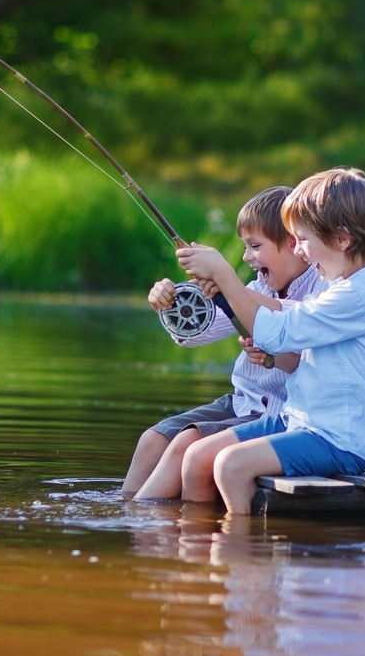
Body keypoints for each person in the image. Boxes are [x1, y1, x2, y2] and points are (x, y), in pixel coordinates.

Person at [175, 167, 365, 514]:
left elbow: (277, 331)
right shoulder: (340, 286)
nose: (298, 250)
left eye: (302, 239)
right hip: (297, 420)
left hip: (336, 440)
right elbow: (287, 333)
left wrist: (224, 275)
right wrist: (229, 294)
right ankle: (197, 550)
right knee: (197, 455)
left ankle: (240, 557)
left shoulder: (359, 296)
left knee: (231, 466)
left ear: (342, 239)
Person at [122, 186, 326, 500]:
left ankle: (142, 523)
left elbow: (295, 319)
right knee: (152, 439)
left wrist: (228, 283)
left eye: (255, 246)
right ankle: (125, 511)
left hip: (281, 415)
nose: (247, 257)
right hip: (242, 403)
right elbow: (198, 334)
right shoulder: (259, 285)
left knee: (184, 444)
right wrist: (172, 302)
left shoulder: (321, 288)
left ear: (291, 243)